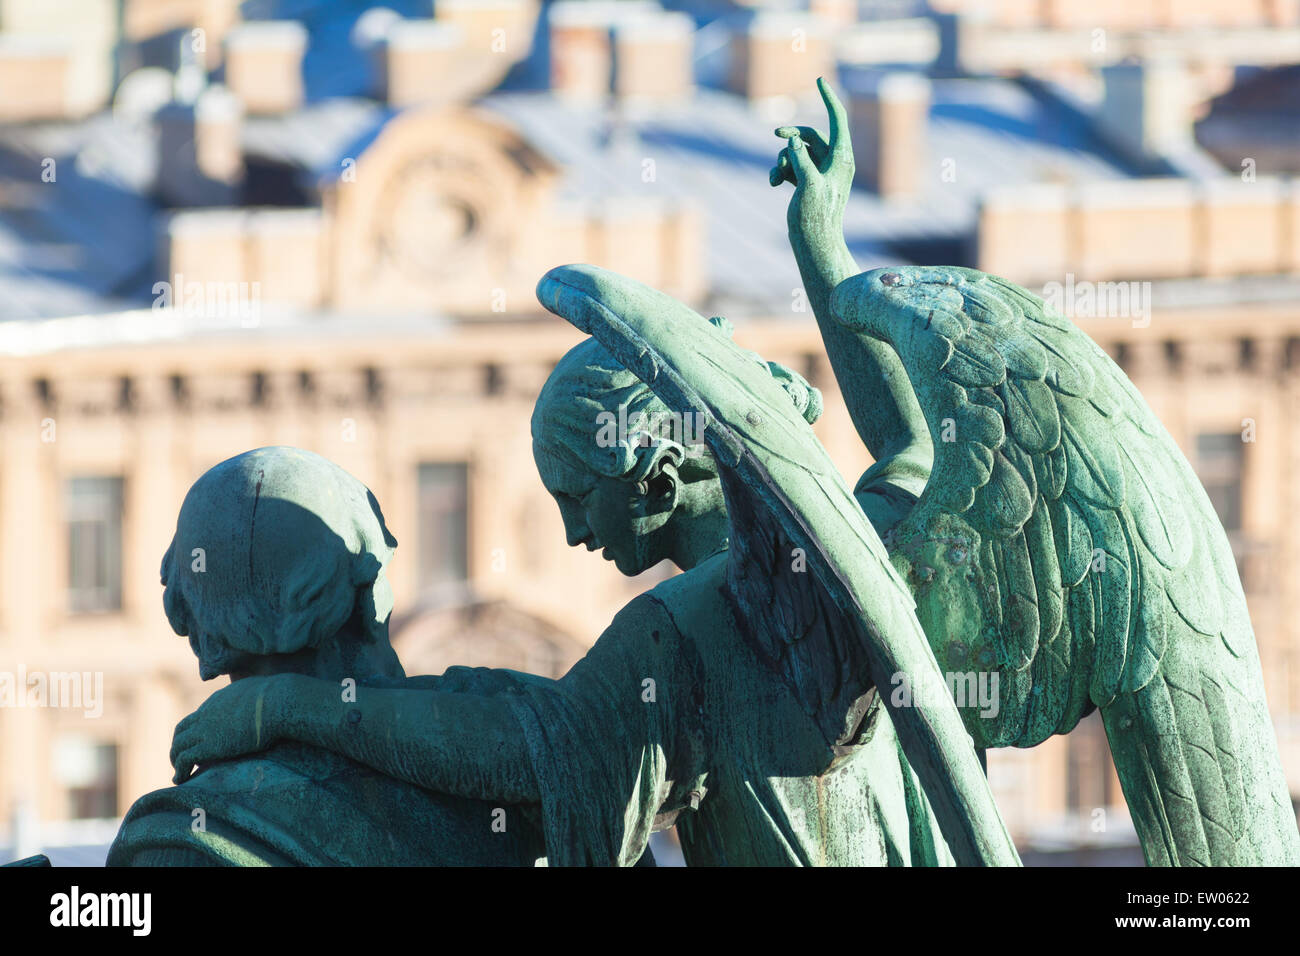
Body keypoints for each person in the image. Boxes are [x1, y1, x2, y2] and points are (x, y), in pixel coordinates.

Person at [169, 351, 956, 866]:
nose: (575, 533)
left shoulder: (684, 626)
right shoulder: (855, 550)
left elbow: (543, 748)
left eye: (578, 497)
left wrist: (285, 705)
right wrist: (832, 269)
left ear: (651, 477)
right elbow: (915, 449)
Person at [109, 447, 548, 866]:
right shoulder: (515, 761)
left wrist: (278, 706)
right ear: (367, 594)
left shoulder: (172, 840)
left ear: (192, 622)